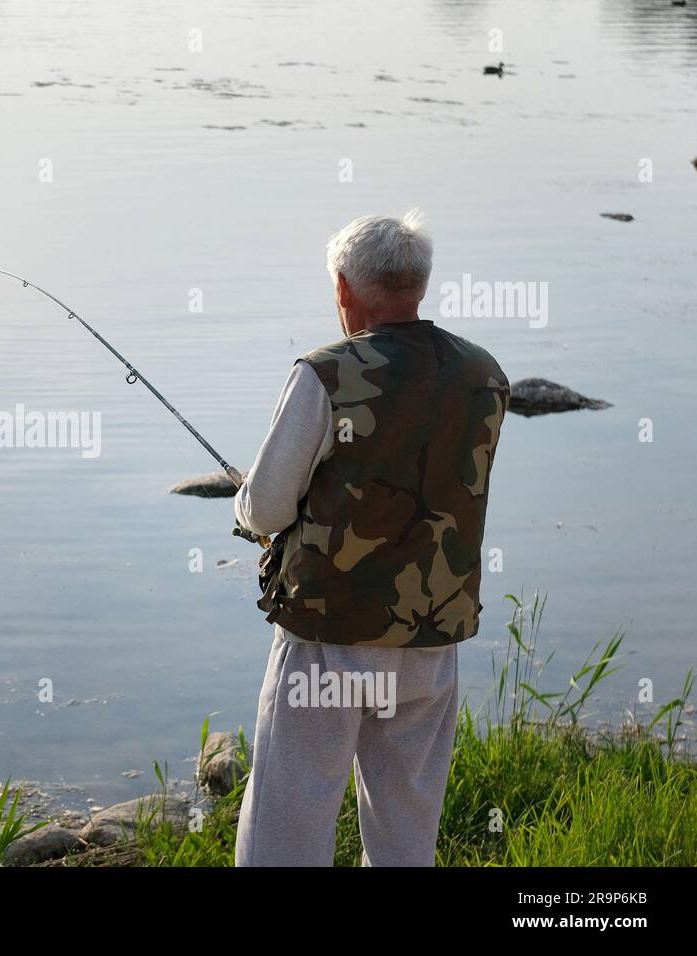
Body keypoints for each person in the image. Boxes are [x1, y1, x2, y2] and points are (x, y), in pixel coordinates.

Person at [231, 209, 510, 866]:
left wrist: (247, 509)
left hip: (331, 639)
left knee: (288, 818)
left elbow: (267, 509)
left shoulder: (325, 374)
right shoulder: (483, 373)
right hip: (430, 641)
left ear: (343, 288)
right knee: (405, 825)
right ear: (418, 284)